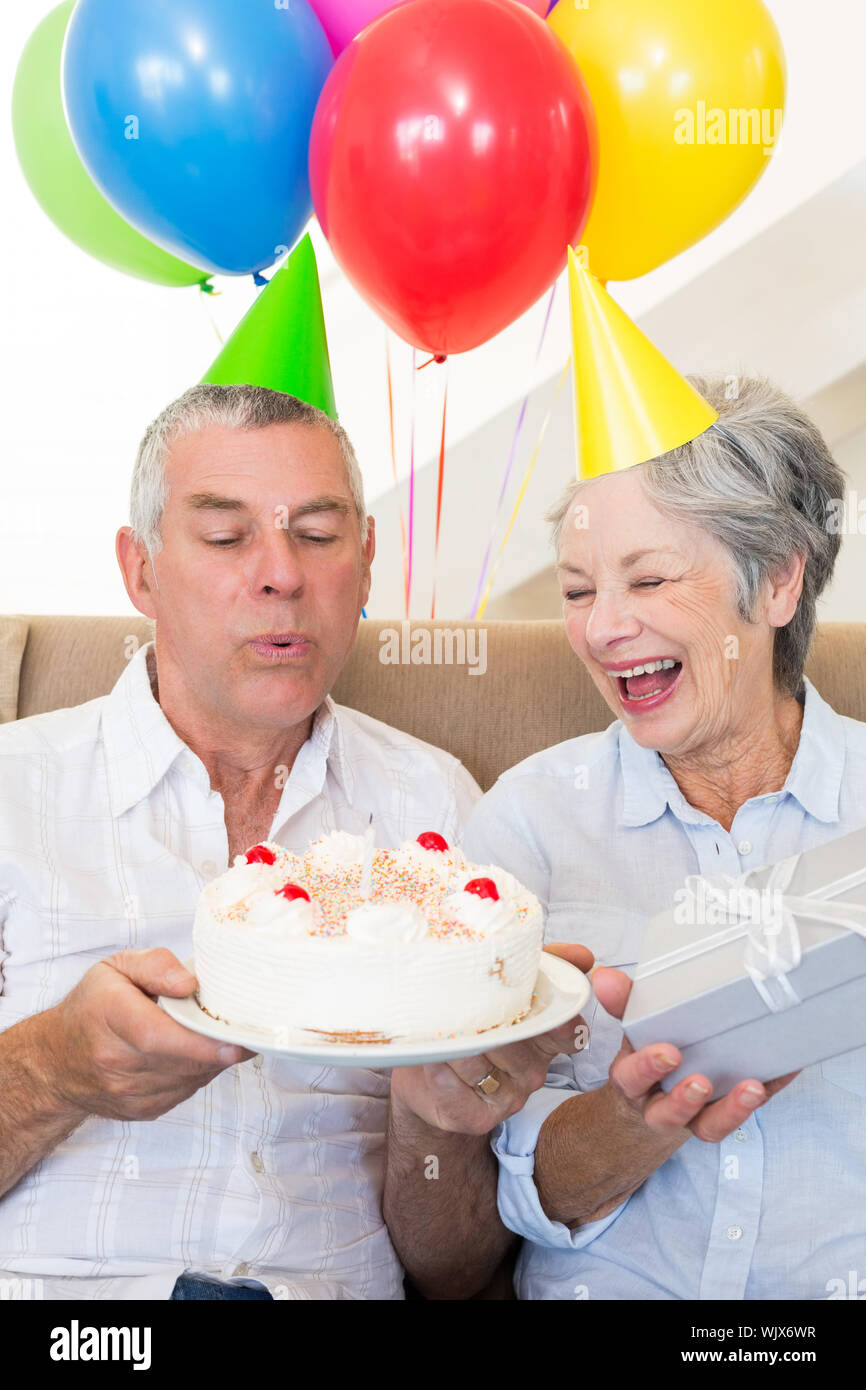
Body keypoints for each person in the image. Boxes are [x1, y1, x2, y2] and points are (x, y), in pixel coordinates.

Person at [0, 383, 587, 1300]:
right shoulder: (15, 790)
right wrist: (50, 1071)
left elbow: (458, 1276)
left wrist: (439, 1128)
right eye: (227, 537)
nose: (281, 574)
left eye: (316, 534)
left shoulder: (437, 808)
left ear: (364, 559)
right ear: (141, 569)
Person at [458, 374, 866, 1299]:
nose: (603, 627)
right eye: (576, 589)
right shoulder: (527, 822)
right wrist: (633, 1123)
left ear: (776, 581)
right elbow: (497, 1183)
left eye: (648, 579)